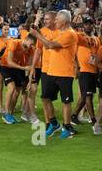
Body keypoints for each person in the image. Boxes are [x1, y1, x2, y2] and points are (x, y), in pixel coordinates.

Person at [32, 9, 81, 140]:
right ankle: (53, 123)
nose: (55, 21)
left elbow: (50, 45)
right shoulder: (61, 32)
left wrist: (37, 35)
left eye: (57, 19)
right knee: (45, 98)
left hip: (64, 73)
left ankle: (66, 126)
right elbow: (47, 44)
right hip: (51, 71)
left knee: (66, 101)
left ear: (64, 21)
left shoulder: (70, 34)